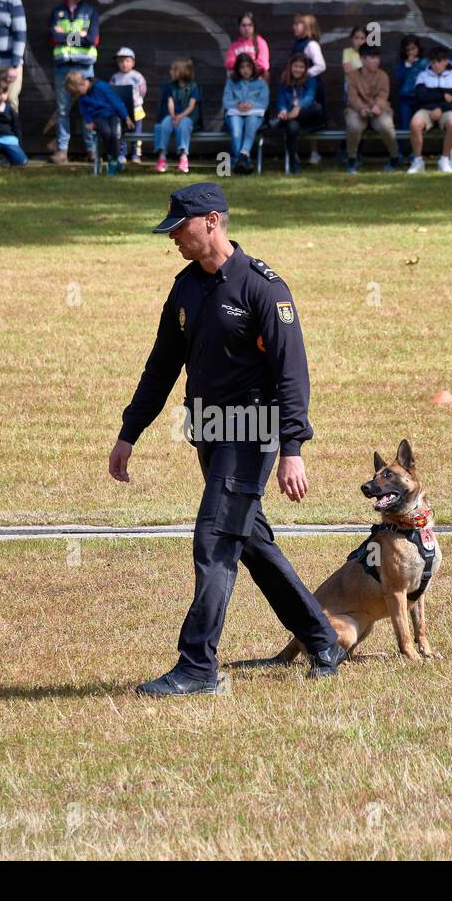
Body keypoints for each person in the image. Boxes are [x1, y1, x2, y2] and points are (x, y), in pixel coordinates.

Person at [109, 182, 348, 696]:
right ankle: (322, 638)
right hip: (210, 431)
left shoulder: (264, 289)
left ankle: (198, 667)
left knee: (214, 539)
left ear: (213, 222)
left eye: (180, 226)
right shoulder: (185, 287)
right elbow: (161, 366)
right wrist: (130, 431)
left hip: (253, 429)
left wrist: (292, 450)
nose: (172, 236)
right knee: (250, 541)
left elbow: (292, 374)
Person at [48, 0, 99, 164]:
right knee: (63, 110)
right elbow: (54, 38)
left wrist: (67, 37)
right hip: (63, 66)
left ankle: (91, 150)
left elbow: (92, 39)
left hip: (84, 67)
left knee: (88, 108)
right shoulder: (57, 11)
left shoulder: (90, 11)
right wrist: (78, 37)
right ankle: (62, 151)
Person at [407, 45, 452, 174]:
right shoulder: (423, 76)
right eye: (433, 62)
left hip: (446, 110)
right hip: (426, 110)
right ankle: (418, 161)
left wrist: (440, 107)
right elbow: (420, 97)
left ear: (445, 61)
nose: (436, 65)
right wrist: (442, 95)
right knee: (414, 124)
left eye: (439, 61)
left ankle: (444, 160)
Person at [344, 43, 398, 174]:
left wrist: (378, 106)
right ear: (362, 59)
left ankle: (394, 157)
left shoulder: (383, 75)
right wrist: (361, 108)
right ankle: (351, 159)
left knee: (385, 125)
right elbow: (352, 97)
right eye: (372, 58)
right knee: (353, 126)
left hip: (378, 109)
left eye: (377, 57)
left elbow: (383, 94)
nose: (376, 61)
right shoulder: (351, 76)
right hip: (357, 110)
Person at [66, 69, 131, 176]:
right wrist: (89, 121)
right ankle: (113, 160)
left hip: (112, 115)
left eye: (78, 91)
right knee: (106, 132)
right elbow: (84, 110)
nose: (78, 95)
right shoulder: (83, 96)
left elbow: (115, 100)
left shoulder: (101, 86)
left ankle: (114, 161)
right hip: (98, 118)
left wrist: (126, 116)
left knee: (114, 134)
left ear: (82, 83)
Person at [273, 53, 323, 175]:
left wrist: (298, 108)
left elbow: (309, 97)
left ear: (305, 69)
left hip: (306, 116)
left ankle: (283, 120)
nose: (298, 69)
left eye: (301, 67)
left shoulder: (311, 80)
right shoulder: (284, 82)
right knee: (292, 127)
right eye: (296, 66)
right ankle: (294, 162)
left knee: (317, 108)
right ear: (291, 66)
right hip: (292, 120)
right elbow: (281, 102)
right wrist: (283, 111)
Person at [288, 13, 326, 165]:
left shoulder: (311, 45)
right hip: (297, 88)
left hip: (311, 88)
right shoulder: (297, 43)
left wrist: (305, 75)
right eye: (294, 24)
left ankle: (314, 152)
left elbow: (321, 65)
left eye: (298, 24)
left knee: (312, 120)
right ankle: (294, 152)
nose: (294, 27)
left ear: (307, 27)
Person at [152, 56, 199, 175]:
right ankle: (162, 158)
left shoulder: (193, 87)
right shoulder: (170, 87)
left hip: (187, 116)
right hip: (173, 115)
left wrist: (180, 117)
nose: (170, 72)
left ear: (182, 71)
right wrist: (173, 116)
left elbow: (191, 106)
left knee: (184, 125)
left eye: (173, 69)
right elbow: (170, 102)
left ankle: (183, 158)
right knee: (163, 125)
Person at [223, 53, 267, 174]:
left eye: (248, 66)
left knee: (250, 125)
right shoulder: (231, 82)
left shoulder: (260, 82)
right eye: (242, 67)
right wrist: (237, 104)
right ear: (237, 69)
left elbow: (264, 102)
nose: (245, 70)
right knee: (236, 131)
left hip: (254, 114)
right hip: (235, 113)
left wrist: (251, 104)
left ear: (253, 67)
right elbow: (226, 102)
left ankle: (240, 160)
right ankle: (243, 161)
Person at [109, 46, 145, 163]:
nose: (124, 64)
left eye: (127, 61)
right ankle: (121, 154)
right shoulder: (115, 78)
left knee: (137, 134)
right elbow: (111, 92)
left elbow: (142, 91)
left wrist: (136, 101)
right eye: (121, 61)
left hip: (136, 110)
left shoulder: (137, 77)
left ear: (133, 62)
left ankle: (136, 155)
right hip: (121, 111)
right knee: (122, 133)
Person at [395, 34, 426, 128]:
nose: (411, 52)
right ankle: (402, 143)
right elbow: (399, 78)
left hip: (420, 99)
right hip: (405, 99)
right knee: (404, 125)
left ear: (418, 48)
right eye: (408, 50)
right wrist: (408, 65)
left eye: (413, 48)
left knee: (418, 126)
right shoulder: (402, 64)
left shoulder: (424, 62)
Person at [225, 11, 268, 77]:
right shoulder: (234, 46)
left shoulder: (260, 43)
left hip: (256, 80)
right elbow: (228, 63)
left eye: (250, 25)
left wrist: (244, 67)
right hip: (239, 81)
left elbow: (263, 64)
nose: (247, 28)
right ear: (239, 27)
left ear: (254, 27)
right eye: (244, 25)